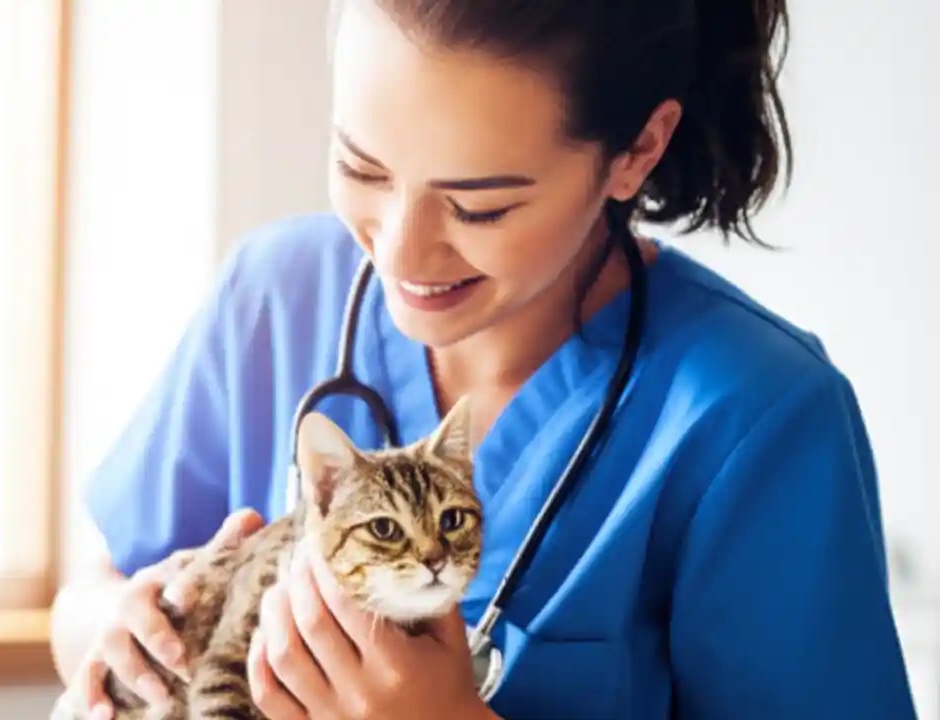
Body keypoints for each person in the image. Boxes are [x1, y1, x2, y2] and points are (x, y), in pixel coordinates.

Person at [50, 0, 918, 717]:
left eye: (480, 209)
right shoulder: (274, 296)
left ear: (637, 151)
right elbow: (92, 594)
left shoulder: (755, 416)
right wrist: (123, 626)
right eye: (362, 168)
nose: (400, 252)